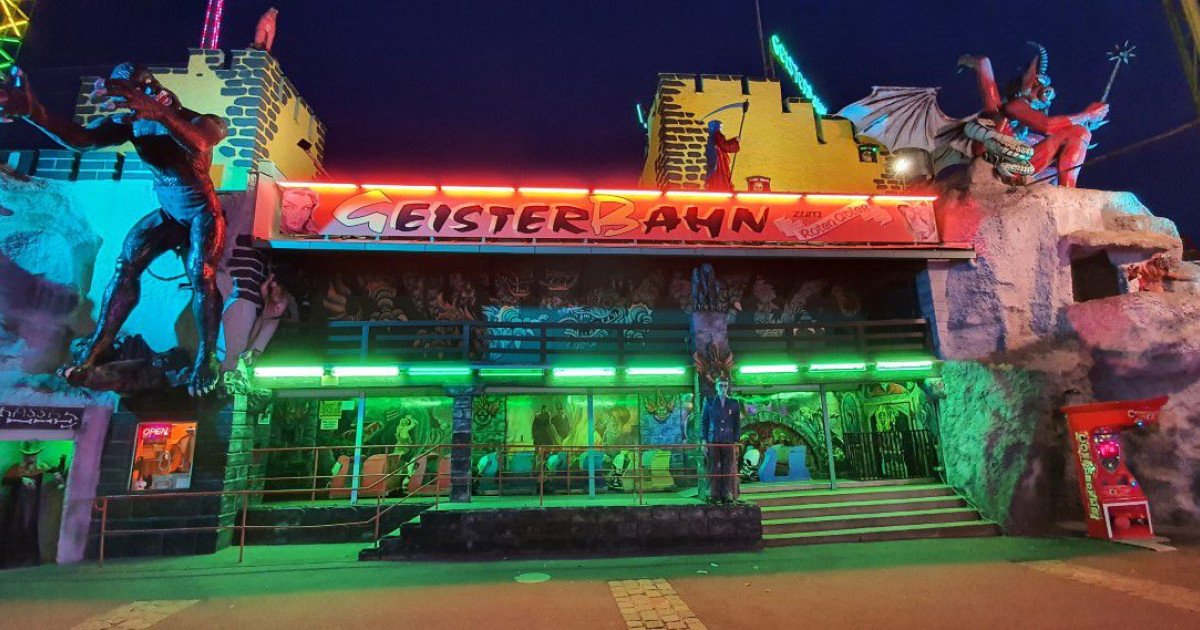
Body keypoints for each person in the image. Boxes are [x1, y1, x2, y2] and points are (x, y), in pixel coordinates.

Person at [0, 63, 229, 396]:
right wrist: (35, 112)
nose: (149, 96)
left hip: (201, 213)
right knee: (126, 265)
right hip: (167, 213)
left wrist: (160, 114)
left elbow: (201, 143)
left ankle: (207, 357)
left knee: (201, 274)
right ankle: (96, 348)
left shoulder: (202, 121)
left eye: (149, 87)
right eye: (139, 92)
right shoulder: (134, 125)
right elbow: (83, 141)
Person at [1, 441, 51, 568]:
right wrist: (21, 478)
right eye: (28, 455)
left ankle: (32, 559)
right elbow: (5, 481)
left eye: (34, 455)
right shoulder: (16, 468)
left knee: (33, 530)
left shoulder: (42, 468)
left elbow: (52, 480)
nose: (31, 457)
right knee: (16, 529)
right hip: (18, 507)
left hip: (37, 506)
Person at [702, 378, 741, 503]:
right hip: (713, 438)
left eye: (725, 386)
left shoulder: (734, 403)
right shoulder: (709, 402)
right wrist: (704, 441)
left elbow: (737, 424)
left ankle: (725, 494)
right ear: (716, 387)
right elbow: (705, 422)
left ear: (728, 387)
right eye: (720, 386)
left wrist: (736, 441)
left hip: (728, 440)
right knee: (713, 467)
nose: (722, 388)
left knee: (727, 468)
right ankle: (714, 494)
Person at [703, 120, 740, 191]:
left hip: (714, 161)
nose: (722, 129)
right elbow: (724, 146)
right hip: (718, 161)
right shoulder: (717, 135)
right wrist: (735, 141)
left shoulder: (711, 137)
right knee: (720, 177)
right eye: (721, 127)